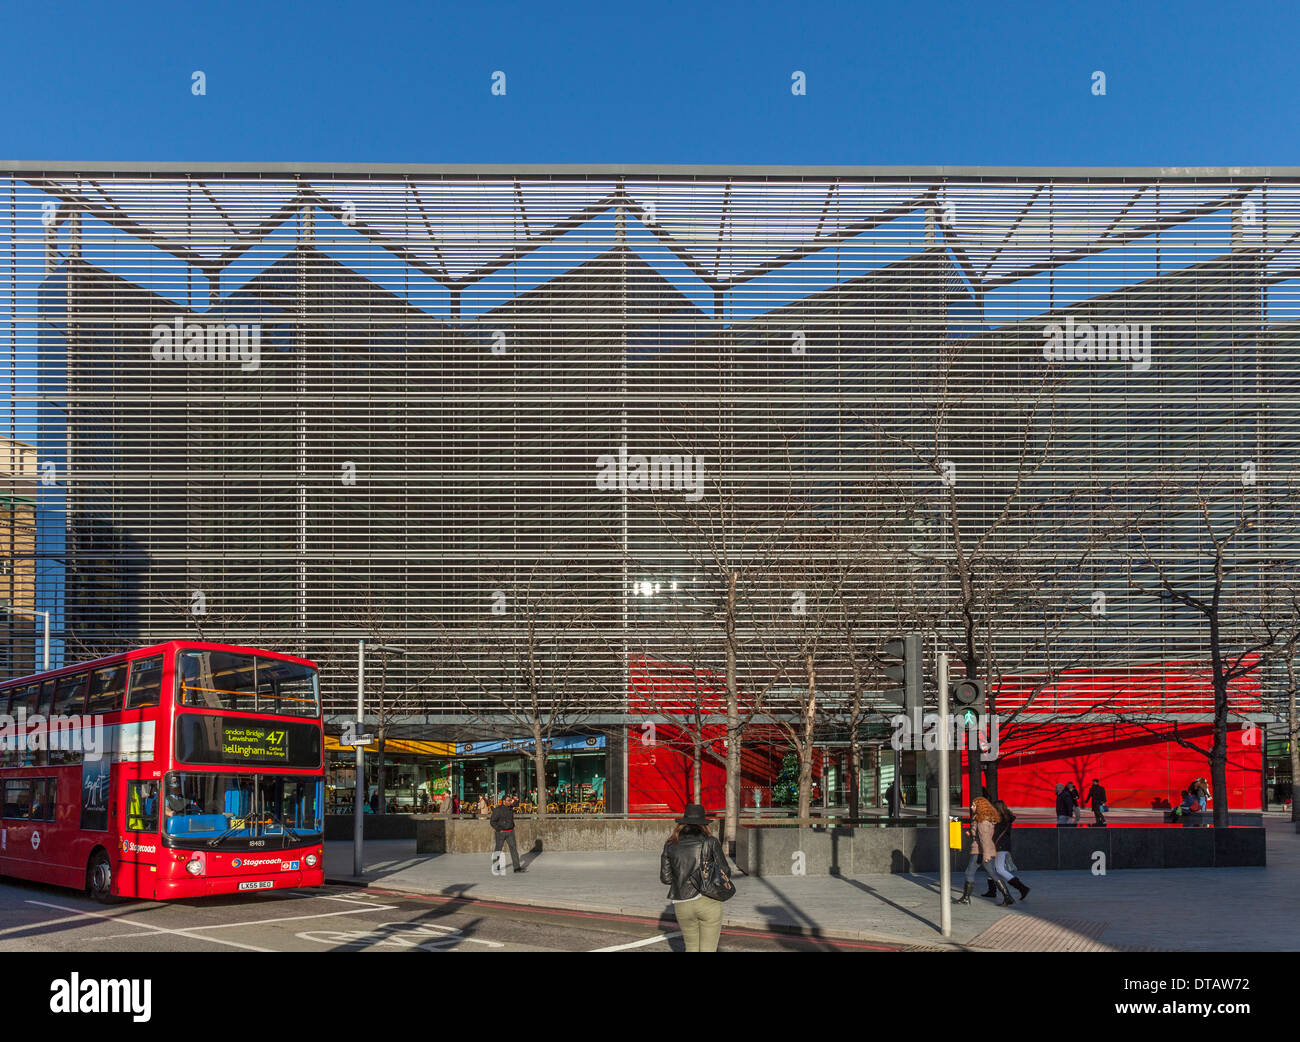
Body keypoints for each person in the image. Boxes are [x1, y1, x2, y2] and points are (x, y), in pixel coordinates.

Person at [660, 804, 731, 952]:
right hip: (708, 900)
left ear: (682, 823)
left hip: (682, 902)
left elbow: (666, 878)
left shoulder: (670, 844)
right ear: (704, 824)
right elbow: (725, 872)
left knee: (691, 948)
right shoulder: (710, 842)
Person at [955, 794, 1014, 906]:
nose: (971, 807)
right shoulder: (982, 819)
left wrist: (986, 855)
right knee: (992, 873)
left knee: (969, 872)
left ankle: (966, 898)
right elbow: (981, 835)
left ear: (980, 807)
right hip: (984, 849)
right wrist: (971, 833)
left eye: (973, 805)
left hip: (980, 850)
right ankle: (1007, 897)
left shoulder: (982, 821)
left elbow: (984, 838)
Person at [984, 799, 1030, 901]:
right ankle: (992, 891)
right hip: (1002, 845)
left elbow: (994, 834)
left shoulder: (1000, 820)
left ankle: (1022, 888)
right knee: (992, 868)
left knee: (1000, 869)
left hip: (999, 846)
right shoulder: (1006, 818)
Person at [490, 794, 524, 873]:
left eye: (510, 800)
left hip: (510, 832)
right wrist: (499, 829)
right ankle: (496, 866)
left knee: (513, 849)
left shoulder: (510, 807)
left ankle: (517, 868)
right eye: (508, 800)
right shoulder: (498, 810)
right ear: (504, 801)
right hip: (500, 833)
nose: (510, 802)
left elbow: (517, 804)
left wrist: (514, 800)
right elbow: (492, 821)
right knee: (498, 849)